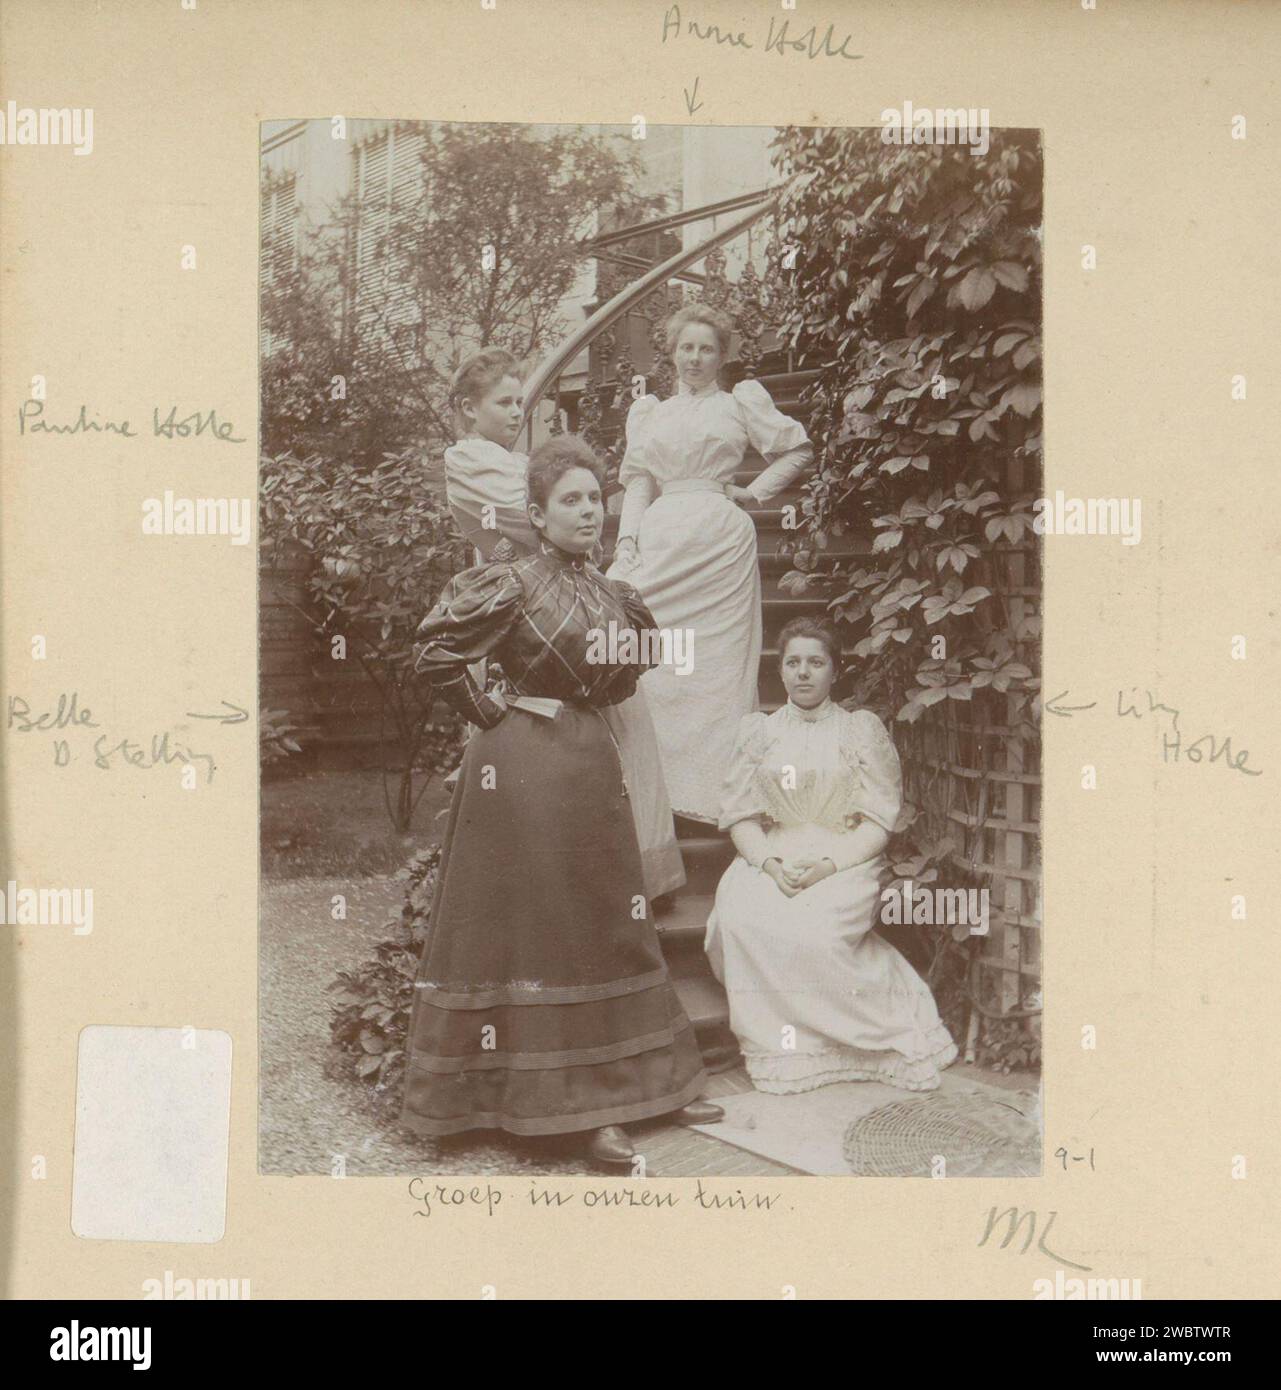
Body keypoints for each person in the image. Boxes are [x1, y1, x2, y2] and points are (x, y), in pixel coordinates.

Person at [401, 434, 722, 1165]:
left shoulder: (613, 595)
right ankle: (572, 1113)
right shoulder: (508, 582)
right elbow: (434, 651)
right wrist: (492, 714)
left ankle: (646, 1085)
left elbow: (620, 678)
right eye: (568, 501)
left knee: (608, 921)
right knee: (548, 936)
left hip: (587, 765)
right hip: (518, 772)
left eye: (593, 499)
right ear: (537, 516)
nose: (586, 512)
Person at [441, 347, 684, 901]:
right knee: (551, 736)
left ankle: (642, 872)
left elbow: (557, 510)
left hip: (572, 593)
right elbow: (538, 515)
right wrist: (561, 502)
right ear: (467, 409)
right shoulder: (468, 461)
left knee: (623, 716)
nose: (515, 412)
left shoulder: (511, 461)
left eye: (519, 401)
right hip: (524, 610)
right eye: (502, 402)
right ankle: (570, 880)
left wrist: (566, 504)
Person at [705, 616, 959, 1094]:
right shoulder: (757, 732)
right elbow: (740, 814)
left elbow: (878, 819)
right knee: (741, 918)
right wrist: (769, 863)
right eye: (793, 662)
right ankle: (787, 1050)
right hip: (772, 852)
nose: (803, 673)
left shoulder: (860, 730)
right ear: (780, 671)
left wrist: (830, 865)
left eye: (815, 663)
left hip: (845, 854)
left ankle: (872, 1035)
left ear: (834, 671)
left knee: (814, 933)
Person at [608, 303, 814, 823]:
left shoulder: (739, 402)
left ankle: (717, 799)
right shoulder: (650, 412)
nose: (694, 358)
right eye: (686, 347)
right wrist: (626, 543)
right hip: (661, 537)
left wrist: (751, 493)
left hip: (721, 545)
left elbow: (798, 450)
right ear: (672, 352)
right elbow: (637, 482)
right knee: (647, 664)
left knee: (716, 675)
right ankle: (653, 797)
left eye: (706, 349)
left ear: (722, 356)